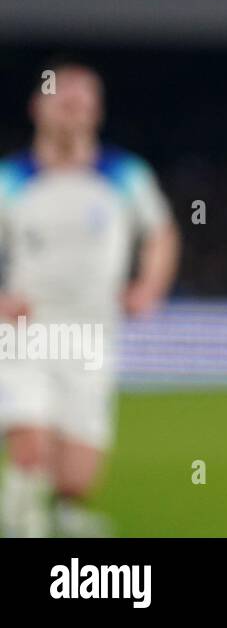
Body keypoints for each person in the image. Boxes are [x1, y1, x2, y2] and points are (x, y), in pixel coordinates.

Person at [0, 60, 179, 536]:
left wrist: (149, 287)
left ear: (96, 111)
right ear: (38, 108)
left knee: (77, 477)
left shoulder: (123, 175)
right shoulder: (11, 179)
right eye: (63, 101)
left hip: (94, 333)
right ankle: (23, 520)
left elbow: (160, 232)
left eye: (83, 102)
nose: (73, 111)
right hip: (26, 332)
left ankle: (63, 507)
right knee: (31, 443)